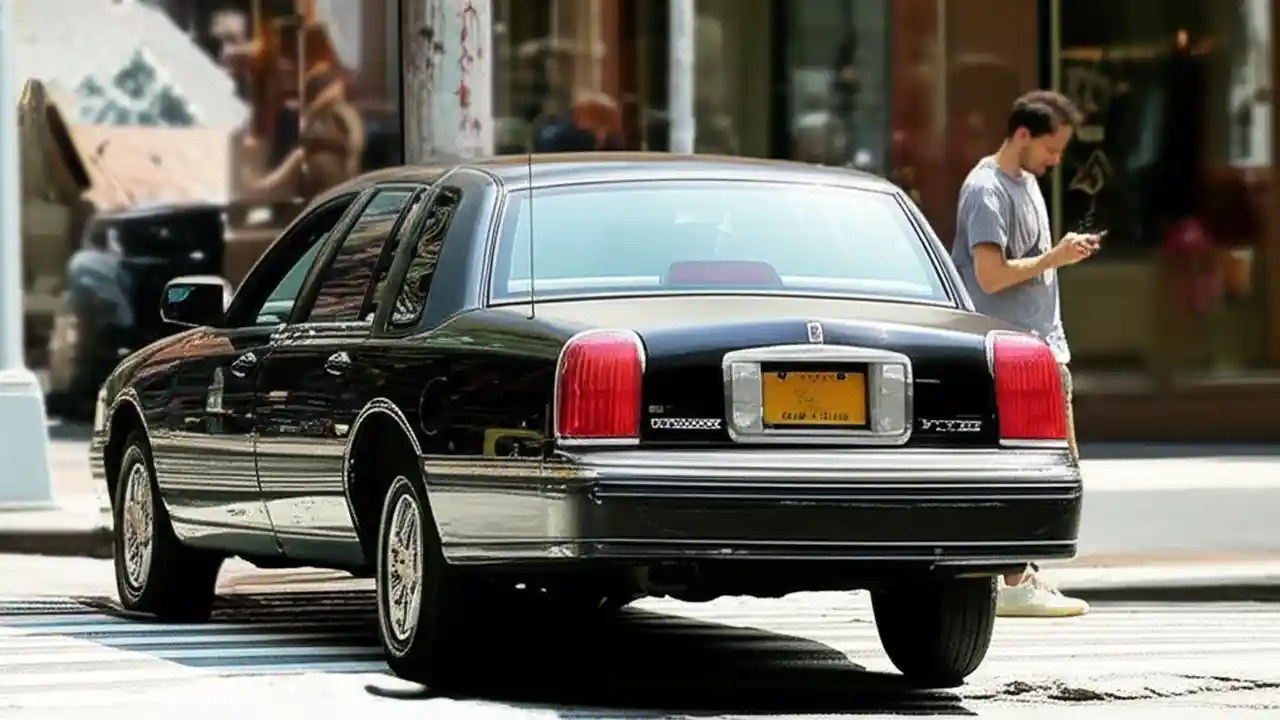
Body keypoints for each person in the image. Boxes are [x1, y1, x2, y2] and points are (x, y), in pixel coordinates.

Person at [950, 89, 1097, 618]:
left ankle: (1020, 572)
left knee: (1055, 467)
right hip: (1012, 353)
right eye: (1051, 149)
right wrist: (1053, 256)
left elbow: (1027, 263)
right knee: (1035, 467)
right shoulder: (985, 190)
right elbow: (989, 275)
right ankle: (1013, 577)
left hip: (1042, 345)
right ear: (1022, 135)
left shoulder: (1027, 184)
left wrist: (1059, 255)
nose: (1056, 160)